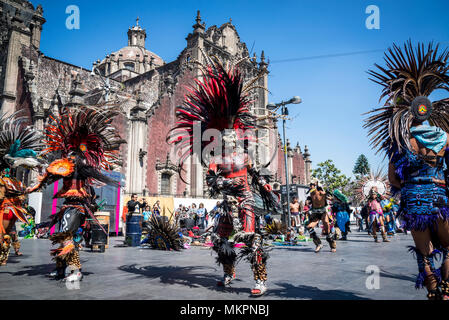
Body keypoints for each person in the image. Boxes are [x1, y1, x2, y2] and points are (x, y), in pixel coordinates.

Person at [167, 56, 280, 296]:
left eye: (233, 135)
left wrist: (264, 187)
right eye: (226, 135)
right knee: (221, 241)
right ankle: (229, 272)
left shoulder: (244, 157)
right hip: (228, 204)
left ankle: (260, 280)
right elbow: (210, 181)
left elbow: (255, 175)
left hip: (246, 202)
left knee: (251, 239)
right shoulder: (216, 159)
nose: (230, 138)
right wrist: (223, 182)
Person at [364, 41, 449, 299]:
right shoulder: (445, 138)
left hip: (414, 199)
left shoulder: (401, 142)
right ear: (431, 113)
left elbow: (392, 179)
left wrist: (409, 185)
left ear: (410, 115)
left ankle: (433, 292)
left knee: (424, 253)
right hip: (439, 197)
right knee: (447, 248)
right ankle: (447, 292)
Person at [26, 104, 125, 281]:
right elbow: (50, 176)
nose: (69, 155)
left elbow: (95, 177)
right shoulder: (64, 167)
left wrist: (112, 182)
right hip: (67, 206)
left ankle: (75, 270)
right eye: (68, 152)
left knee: (66, 236)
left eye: (72, 152)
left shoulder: (82, 168)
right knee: (60, 237)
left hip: (78, 207)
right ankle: (60, 268)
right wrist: (34, 186)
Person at [0, 113, 44, 266]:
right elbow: (23, 193)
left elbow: (2, 195)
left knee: (5, 233)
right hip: (13, 209)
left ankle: (4, 257)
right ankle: (7, 256)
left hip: (6, 209)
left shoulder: (6, 180)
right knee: (9, 233)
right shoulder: (14, 182)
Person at [306, 181, 336, 253]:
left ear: (315, 186)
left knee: (326, 227)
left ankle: (332, 245)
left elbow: (332, 199)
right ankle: (318, 243)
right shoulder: (310, 195)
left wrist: (330, 196)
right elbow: (307, 203)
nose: (310, 187)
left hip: (323, 213)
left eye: (311, 185)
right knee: (309, 227)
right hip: (315, 214)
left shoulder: (321, 193)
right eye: (310, 186)